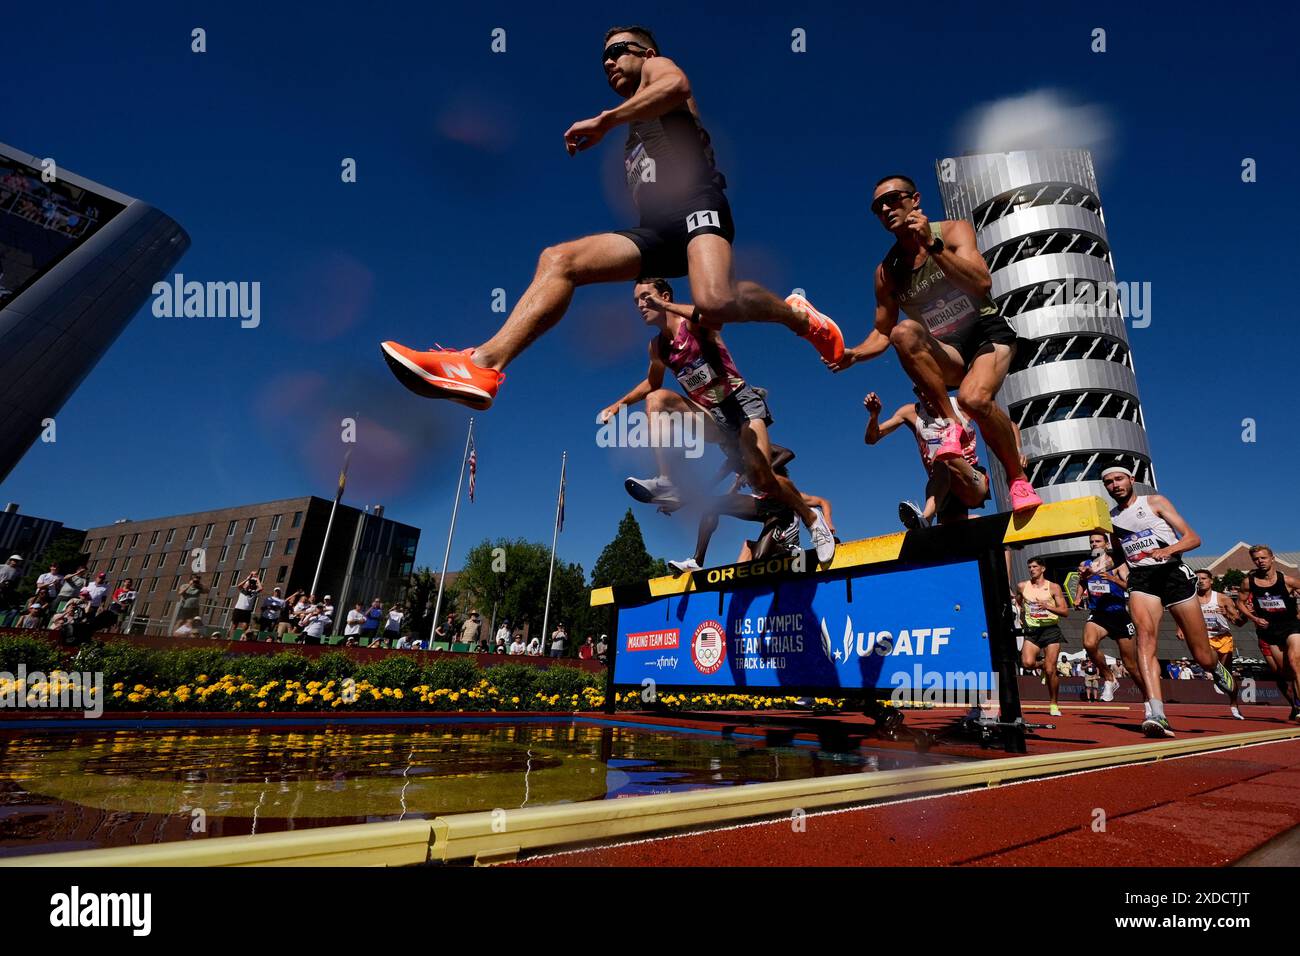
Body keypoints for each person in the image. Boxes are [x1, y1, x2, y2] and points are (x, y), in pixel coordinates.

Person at [380, 24, 843, 411]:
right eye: (603, 58)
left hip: (698, 203)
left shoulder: (659, 72)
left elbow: (676, 87)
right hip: (657, 230)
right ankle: (483, 365)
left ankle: (798, 316)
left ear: (647, 52)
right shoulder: (633, 129)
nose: (609, 62)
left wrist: (605, 119)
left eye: (618, 51)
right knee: (560, 259)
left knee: (714, 302)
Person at [820, 174, 1043, 512]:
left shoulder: (952, 231)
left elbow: (981, 283)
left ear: (915, 199)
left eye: (893, 198)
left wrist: (933, 247)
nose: (885, 208)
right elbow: (882, 331)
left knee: (973, 399)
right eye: (877, 207)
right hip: (947, 350)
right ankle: (951, 426)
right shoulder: (887, 272)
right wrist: (854, 354)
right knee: (903, 332)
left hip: (986, 333)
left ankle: (1017, 480)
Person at [604, 278, 836, 563]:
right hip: (713, 416)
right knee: (658, 400)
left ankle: (811, 518)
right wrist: (620, 404)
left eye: (646, 297)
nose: (640, 305)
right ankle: (667, 480)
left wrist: (666, 307)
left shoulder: (693, 325)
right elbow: (653, 382)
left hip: (740, 404)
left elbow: (713, 316)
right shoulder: (657, 347)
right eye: (636, 300)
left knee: (764, 480)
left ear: (664, 296)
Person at [1102, 465, 1236, 737]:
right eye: (1108, 482)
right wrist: (1106, 565)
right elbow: (1119, 555)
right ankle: (1157, 713)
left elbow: (1193, 538)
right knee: (1145, 639)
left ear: (1131, 480)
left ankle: (1215, 667)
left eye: (1118, 479)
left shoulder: (1154, 502)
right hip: (1142, 580)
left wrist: (1167, 550)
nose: (1114, 485)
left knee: (1201, 654)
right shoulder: (1111, 518)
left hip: (1173, 574)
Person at [864, 388, 992, 529]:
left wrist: (1016, 453)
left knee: (945, 455)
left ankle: (926, 518)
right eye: (918, 390)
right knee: (955, 536)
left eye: (925, 386)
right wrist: (874, 415)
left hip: (971, 479)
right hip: (942, 487)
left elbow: (1004, 424)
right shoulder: (911, 413)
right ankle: (924, 522)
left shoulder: (961, 406)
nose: (924, 394)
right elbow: (872, 438)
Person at [1073, 532, 1145, 704]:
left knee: (1130, 665)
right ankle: (1110, 678)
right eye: (1091, 541)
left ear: (1106, 544)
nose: (1094, 544)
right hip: (1098, 612)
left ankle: (1148, 698)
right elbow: (1083, 582)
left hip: (1118, 613)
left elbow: (1130, 585)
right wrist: (1078, 597)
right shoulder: (1086, 564)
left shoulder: (1118, 564)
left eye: (1098, 541)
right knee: (1089, 644)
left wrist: (1112, 578)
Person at [1239, 545, 1300, 721]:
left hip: (1291, 627)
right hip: (1269, 631)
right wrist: (1254, 618)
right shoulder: (1248, 582)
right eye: (1256, 559)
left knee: (1296, 664)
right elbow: (1240, 603)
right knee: (1284, 673)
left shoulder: (1287, 580)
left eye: (1263, 558)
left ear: (1272, 558)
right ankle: (1294, 702)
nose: (1260, 561)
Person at [1181, 569, 1244, 719]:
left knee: (1226, 676)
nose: (1201, 581)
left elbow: (1239, 622)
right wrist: (1180, 629)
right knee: (1211, 663)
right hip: (1205, 638)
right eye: (1198, 579)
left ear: (1211, 581)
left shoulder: (1223, 598)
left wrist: (1227, 614)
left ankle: (1234, 704)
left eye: (1204, 578)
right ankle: (1216, 673)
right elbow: (1183, 615)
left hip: (1223, 638)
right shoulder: (1192, 599)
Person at [1016, 556, 1070, 717]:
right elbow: (1019, 601)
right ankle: (1042, 667)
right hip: (1032, 631)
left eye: (1034, 566)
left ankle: (1053, 703)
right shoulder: (1022, 586)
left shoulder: (1053, 587)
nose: (1031, 569)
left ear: (1043, 569)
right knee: (1027, 663)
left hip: (1050, 630)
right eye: (1029, 567)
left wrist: (1047, 606)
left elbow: (1065, 611)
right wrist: (1022, 614)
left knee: (1051, 669)